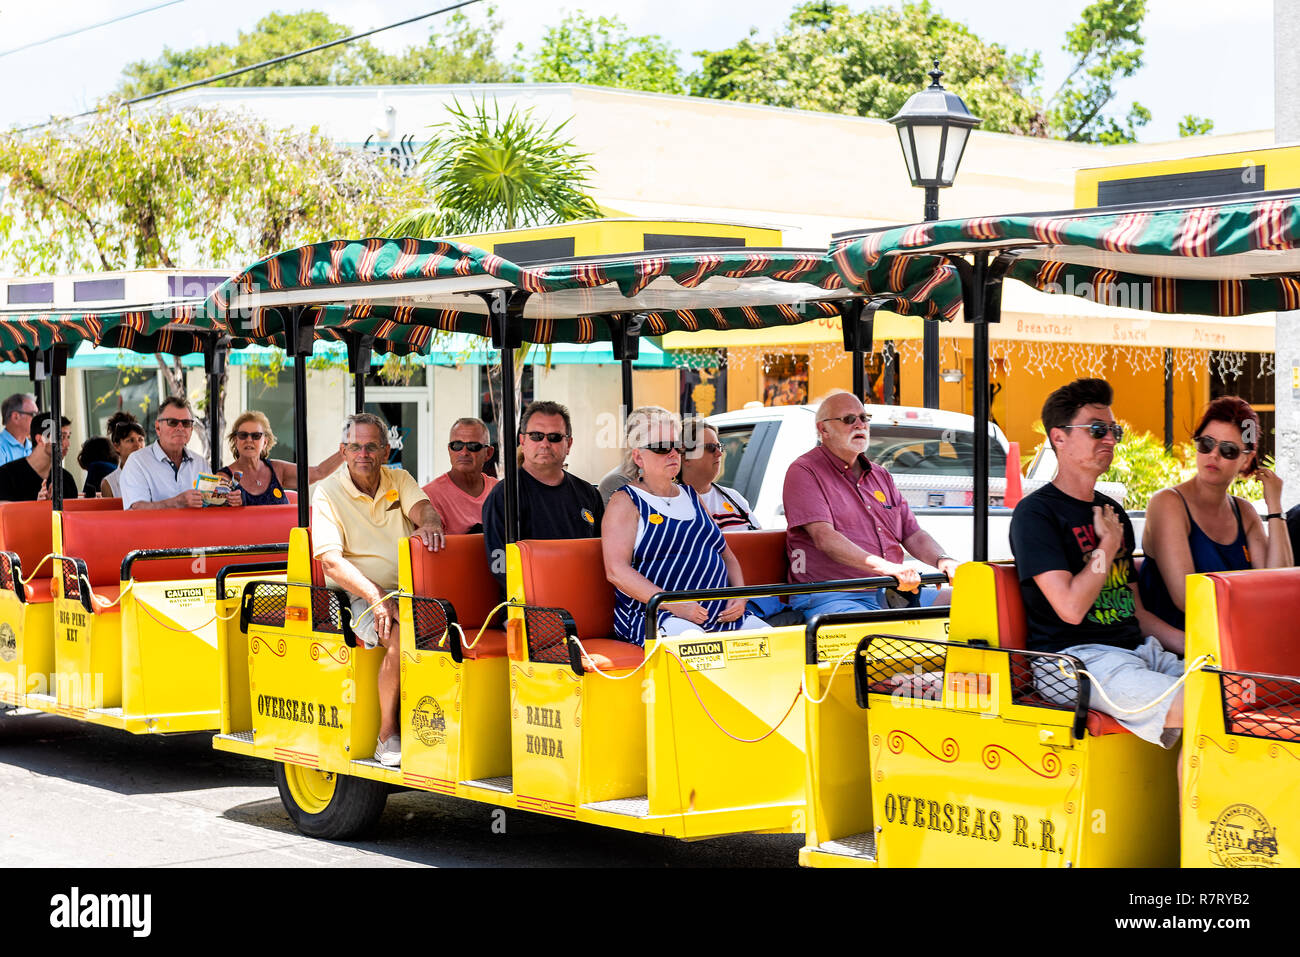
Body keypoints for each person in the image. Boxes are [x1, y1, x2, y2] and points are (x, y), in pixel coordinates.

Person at [1009, 378, 1184, 747]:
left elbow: (1134, 611)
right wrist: (1106, 546)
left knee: (1237, 690)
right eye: (1097, 429)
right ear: (1058, 438)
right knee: (1205, 703)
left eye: (1113, 430)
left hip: (1138, 652)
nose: (1110, 439)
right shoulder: (1036, 515)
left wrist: (1202, 646)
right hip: (1071, 662)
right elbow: (1071, 608)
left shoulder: (1111, 510)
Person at [311, 413, 446, 767]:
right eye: (356, 446)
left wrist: (429, 525)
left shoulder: (398, 478)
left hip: (408, 589)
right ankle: (387, 734)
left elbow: (426, 511)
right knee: (401, 633)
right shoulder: (326, 492)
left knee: (455, 627)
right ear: (343, 451)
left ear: (386, 450)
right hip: (355, 594)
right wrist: (376, 597)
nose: (363, 454)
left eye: (372, 446)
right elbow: (330, 562)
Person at [782, 391, 958, 620]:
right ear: (823, 429)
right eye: (848, 419)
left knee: (977, 601)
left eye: (864, 418)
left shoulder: (880, 475)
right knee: (880, 640)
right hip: (833, 595)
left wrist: (943, 560)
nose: (859, 424)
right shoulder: (804, 471)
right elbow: (824, 538)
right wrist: (889, 568)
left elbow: (911, 533)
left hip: (891, 593)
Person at [603, 409, 764, 645]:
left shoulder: (691, 495)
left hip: (719, 613)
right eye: (661, 448)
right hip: (656, 616)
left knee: (780, 645)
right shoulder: (625, 501)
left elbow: (726, 554)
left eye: (677, 447)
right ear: (638, 458)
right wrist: (673, 604)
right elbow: (616, 570)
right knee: (698, 648)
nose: (672, 454)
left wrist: (739, 596)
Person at [1140, 396, 1292, 633]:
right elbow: (1187, 600)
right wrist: (1256, 600)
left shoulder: (1245, 512)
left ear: (1246, 459)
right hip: (1180, 652)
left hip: (1237, 641)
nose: (1213, 455)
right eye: (1206, 443)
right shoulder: (1168, 503)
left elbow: (1278, 584)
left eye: (1228, 450)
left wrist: (1274, 507)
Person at [482, 400, 604, 589]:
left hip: (586, 597)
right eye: (536, 436)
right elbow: (501, 566)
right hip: (530, 606)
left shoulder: (588, 494)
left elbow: (602, 556)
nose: (545, 444)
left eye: (554, 437)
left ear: (569, 443)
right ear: (523, 441)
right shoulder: (504, 496)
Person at [120, 396, 240, 509]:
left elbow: (209, 506)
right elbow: (136, 509)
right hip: (155, 532)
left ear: (191, 429)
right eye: (172, 422)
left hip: (196, 531)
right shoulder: (137, 462)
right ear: (158, 428)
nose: (180, 427)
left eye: (186, 423)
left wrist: (228, 501)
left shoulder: (201, 463)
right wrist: (177, 502)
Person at [217, 410, 343, 506]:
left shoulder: (277, 469)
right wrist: (227, 504)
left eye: (256, 435)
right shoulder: (224, 477)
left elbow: (318, 472)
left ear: (265, 442)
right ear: (235, 440)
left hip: (284, 539)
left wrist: (345, 452)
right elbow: (213, 510)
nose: (249, 440)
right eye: (243, 435)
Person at [678, 417, 758, 530]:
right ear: (686, 457)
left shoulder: (734, 498)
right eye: (711, 448)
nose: (719, 453)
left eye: (719, 446)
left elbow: (761, 540)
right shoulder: (670, 502)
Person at [421, 417, 497, 534]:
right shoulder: (428, 497)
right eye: (457, 445)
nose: (464, 452)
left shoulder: (500, 491)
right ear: (449, 450)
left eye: (473, 446)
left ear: (488, 453)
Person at [598, 405, 673, 504]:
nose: (673, 453)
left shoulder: (671, 476)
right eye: (662, 447)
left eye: (677, 445)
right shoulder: (617, 481)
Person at [0, 412, 77, 502]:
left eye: (68, 437)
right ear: (40, 439)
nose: (67, 444)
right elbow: (4, 514)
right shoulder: (6, 475)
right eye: (61, 437)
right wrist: (38, 508)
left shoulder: (66, 479)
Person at [101, 417, 147, 499]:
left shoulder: (155, 474)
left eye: (140, 439)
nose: (138, 445)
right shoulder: (109, 483)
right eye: (130, 440)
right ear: (116, 446)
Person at [0, 393, 38, 465]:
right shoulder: (1, 448)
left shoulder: (32, 447)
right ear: (16, 417)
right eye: (34, 415)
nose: (37, 420)